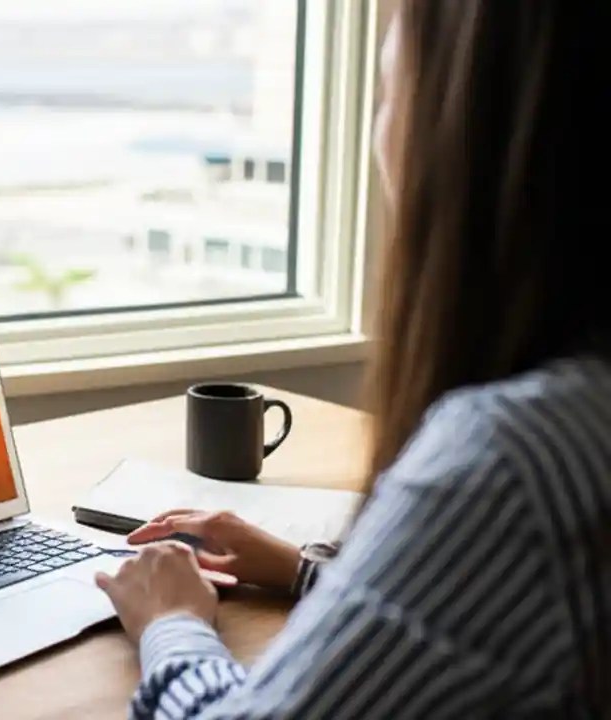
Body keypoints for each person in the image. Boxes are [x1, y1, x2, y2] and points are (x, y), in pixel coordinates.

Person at [94, 2, 611, 717]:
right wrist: (308, 572)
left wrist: (170, 622)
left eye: (389, 90)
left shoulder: (511, 458)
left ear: (464, 133)